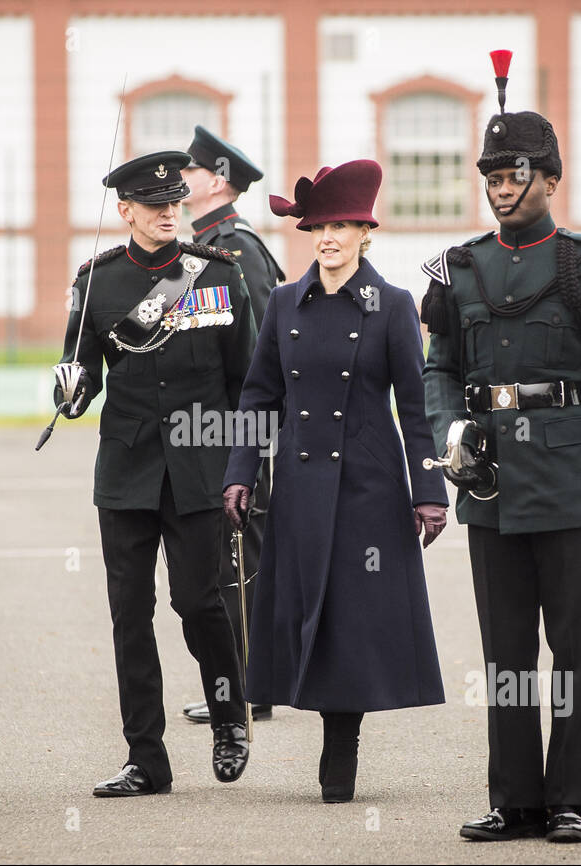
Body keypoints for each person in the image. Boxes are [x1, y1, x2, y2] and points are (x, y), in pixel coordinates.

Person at [420, 50, 581, 842]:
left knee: (572, 649)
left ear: (549, 177)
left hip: (571, 478)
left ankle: (568, 799)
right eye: (493, 173)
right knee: (505, 650)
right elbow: (439, 364)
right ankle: (513, 797)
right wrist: (451, 428)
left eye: (517, 171)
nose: (503, 184)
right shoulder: (457, 270)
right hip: (489, 483)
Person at [222, 159, 448, 803]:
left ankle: (340, 747)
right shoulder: (286, 303)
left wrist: (428, 489)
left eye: (343, 225)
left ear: (363, 233)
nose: (329, 237)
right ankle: (326, 728)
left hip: (368, 490)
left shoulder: (393, 306)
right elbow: (258, 394)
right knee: (307, 616)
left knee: (350, 620)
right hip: (297, 487)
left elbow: (417, 405)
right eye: (320, 225)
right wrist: (241, 472)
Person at [54, 150, 256, 796]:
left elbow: (245, 381)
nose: (170, 213)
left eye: (176, 203)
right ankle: (147, 757)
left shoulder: (219, 275)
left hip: (199, 470)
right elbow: (79, 379)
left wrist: (246, 467)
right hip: (128, 470)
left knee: (198, 602)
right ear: (126, 211)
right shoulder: (98, 282)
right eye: (155, 205)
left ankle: (229, 717)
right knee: (129, 614)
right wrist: (69, 388)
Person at [179, 125, 285, 725]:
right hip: (218, 425)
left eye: (191, 172)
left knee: (240, 554)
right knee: (231, 554)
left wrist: (249, 434)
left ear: (217, 179)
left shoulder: (236, 249)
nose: (182, 180)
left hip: (238, 429)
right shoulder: (208, 243)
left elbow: (261, 351)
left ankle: (250, 683)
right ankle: (249, 679)